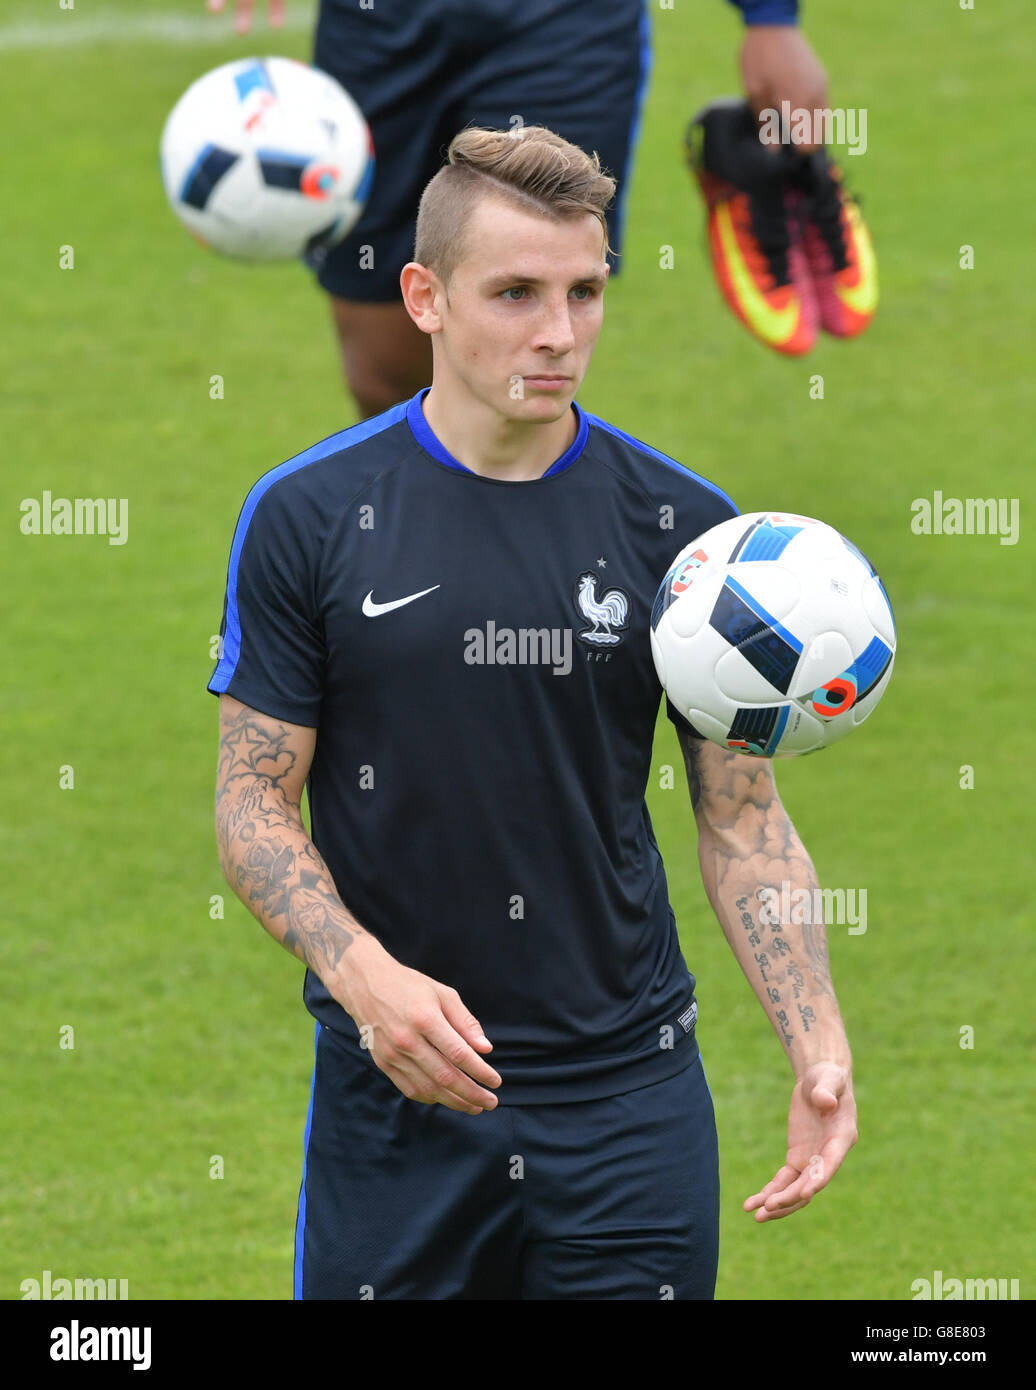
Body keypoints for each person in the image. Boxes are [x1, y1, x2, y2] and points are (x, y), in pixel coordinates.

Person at [208, 124, 857, 1300]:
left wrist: (815, 1041)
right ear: (425, 297)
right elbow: (251, 800)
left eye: (584, 291)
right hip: (398, 1105)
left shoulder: (685, 538)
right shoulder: (309, 515)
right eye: (514, 293)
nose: (558, 333)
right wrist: (364, 978)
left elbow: (744, 821)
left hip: (629, 1108)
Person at [207, 0, 828, 416]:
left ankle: (522, 584)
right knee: (384, 371)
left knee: (526, 332)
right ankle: (413, 565)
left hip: (562, 22)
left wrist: (770, 16)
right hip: (378, 26)